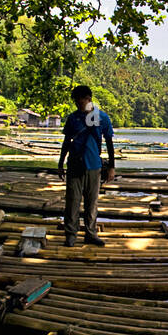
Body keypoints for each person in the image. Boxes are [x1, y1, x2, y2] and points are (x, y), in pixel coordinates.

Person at [59, 84, 119, 246]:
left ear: (88, 99)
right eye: (76, 103)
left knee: (92, 203)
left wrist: (112, 167)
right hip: (74, 166)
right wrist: (60, 163)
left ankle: (90, 234)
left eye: (80, 102)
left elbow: (109, 143)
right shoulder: (73, 118)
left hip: (94, 166)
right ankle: (71, 235)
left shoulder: (102, 118)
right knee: (72, 202)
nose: (78, 105)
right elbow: (66, 142)